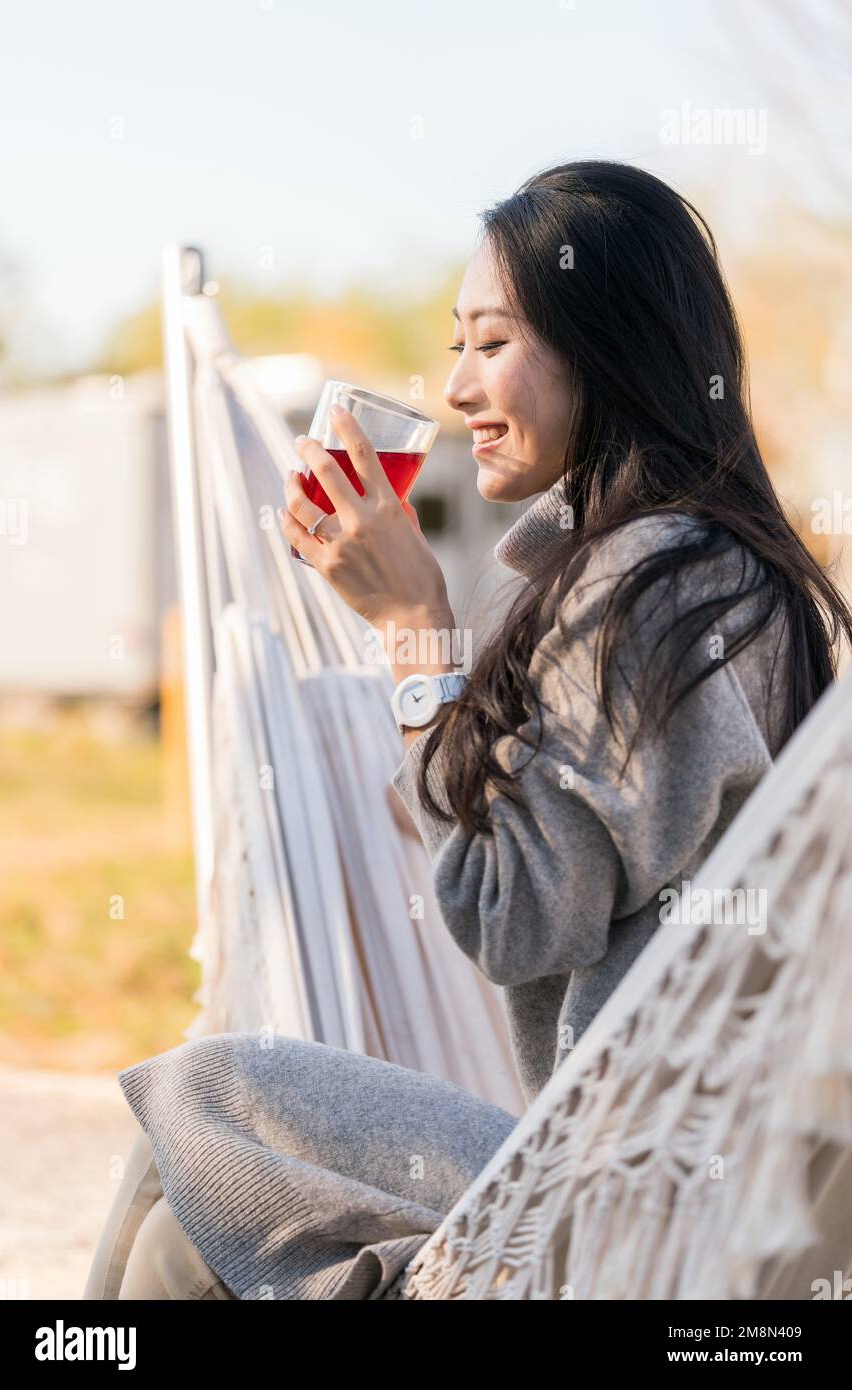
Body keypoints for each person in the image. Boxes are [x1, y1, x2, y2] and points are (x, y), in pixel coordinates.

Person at [84, 160, 851, 1301]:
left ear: (609, 346)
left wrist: (411, 628)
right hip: (696, 1182)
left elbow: (515, 916)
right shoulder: (734, 575)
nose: (455, 388)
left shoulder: (648, 584)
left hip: (615, 1201)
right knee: (187, 1199)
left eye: (491, 343)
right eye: (455, 345)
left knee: (200, 1104)